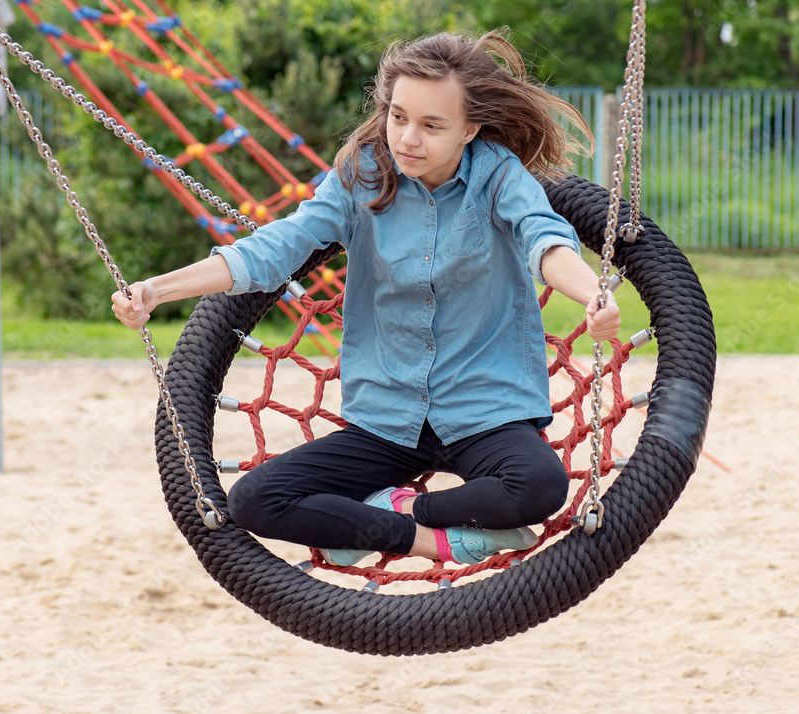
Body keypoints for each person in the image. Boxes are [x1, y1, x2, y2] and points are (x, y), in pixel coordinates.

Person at [112, 29, 621, 567]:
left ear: (469, 129)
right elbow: (275, 249)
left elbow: (545, 240)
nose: (407, 139)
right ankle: (419, 534)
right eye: (398, 117)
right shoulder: (361, 176)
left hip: (484, 411)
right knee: (255, 499)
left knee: (539, 486)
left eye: (432, 125)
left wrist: (594, 293)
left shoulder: (497, 177)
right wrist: (157, 289)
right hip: (388, 419)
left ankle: (397, 514)